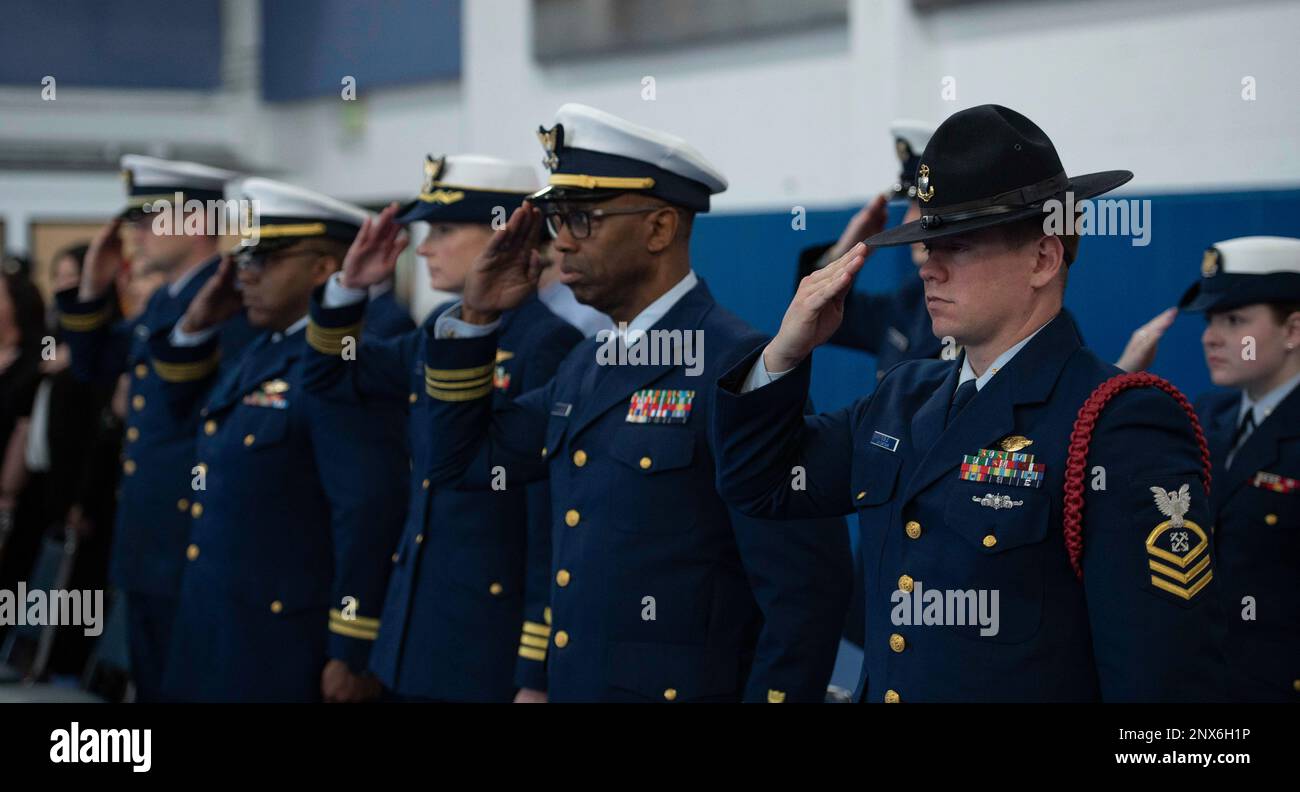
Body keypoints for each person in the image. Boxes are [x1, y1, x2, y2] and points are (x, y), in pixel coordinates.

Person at [712, 104, 1225, 702]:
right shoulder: (904, 397)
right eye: (929, 244)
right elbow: (760, 483)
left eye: (958, 244)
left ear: (1043, 257)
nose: (931, 268)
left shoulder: (1118, 421)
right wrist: (784, 354)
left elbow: (1161, 684)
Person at [417, 103, 852, 702]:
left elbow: (805, 590)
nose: (561, 242)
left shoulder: (733, 363)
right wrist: (475, 319)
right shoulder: (588, 363)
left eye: (583, 219)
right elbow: (461, 462)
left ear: (659, 229)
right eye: (555, 219)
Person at [305, 154, 585, 702]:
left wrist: (536, 669)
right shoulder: (441, 327)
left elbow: (549, 525)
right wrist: (348, 291)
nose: (426, 246)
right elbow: (334, 376)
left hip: (486, 647)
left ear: (508, 233)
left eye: (445, 228)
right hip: (418, 630)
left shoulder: (548, 346)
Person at [150, 178, 408, 702]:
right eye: (243, 259)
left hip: (285, 641)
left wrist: (351, 645)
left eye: (264, 260)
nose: (245, 274)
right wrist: (197, 321)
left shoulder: (346, 367)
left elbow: (366, 510)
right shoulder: (261, 350)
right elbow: (171, 407)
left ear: (321, 269)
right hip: (216, 625)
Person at [53, 155, 252, 700]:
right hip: (151, 533)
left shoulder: (228, 296)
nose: (136, 233)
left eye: (148, 218)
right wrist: (92, 292)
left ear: (193, 222)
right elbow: (95, 367)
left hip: (191, 530)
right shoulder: (167, 298)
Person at [1128, 236, 1299, 701]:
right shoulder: (1209, 413)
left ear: (1293, 330)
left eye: (1235, 320)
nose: (1211, 337)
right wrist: (1121, 382)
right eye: (1210, 320)